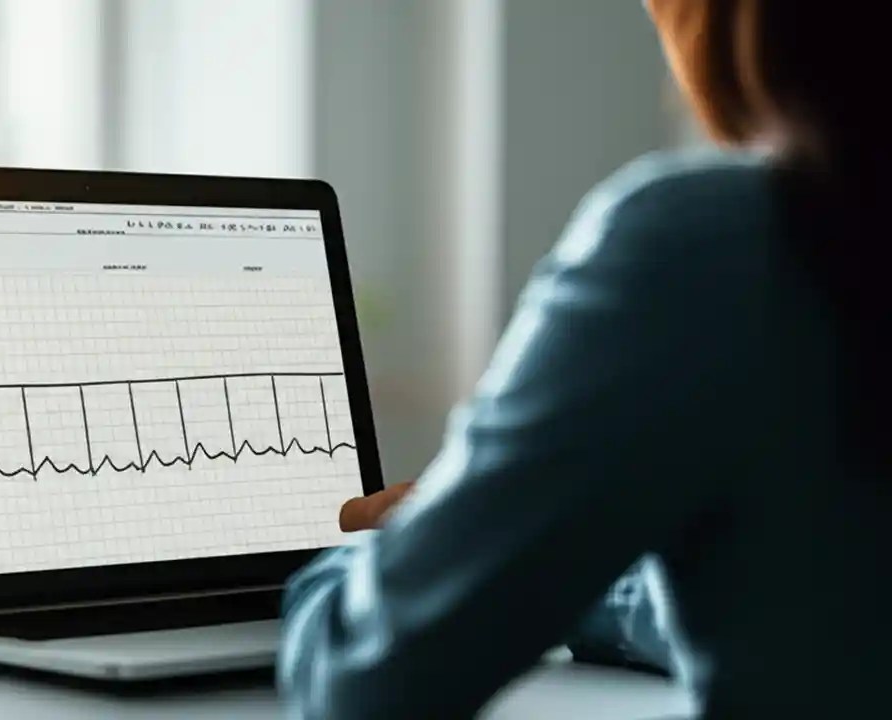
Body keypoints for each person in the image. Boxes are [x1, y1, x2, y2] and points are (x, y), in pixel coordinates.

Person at [278, 1, 890, 717]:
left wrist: (407, 561)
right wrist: (527, 558)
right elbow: (812, 600)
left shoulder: (717, 246)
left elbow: (362, 681)